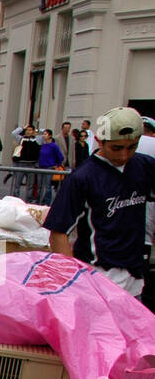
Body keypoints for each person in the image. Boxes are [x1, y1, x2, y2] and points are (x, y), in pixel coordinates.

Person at [45, 107, 155, 311]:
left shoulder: (144, 166)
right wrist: (72, 281)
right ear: (101, 141)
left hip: (134, 273)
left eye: (132, 147)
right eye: (117, 148)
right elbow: (58, 233)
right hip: (98, 275)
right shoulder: (82, 178)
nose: (124, 155)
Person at [10, 123, 42, 201]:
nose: (28, 131)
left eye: (30, 130)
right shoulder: (21, 139)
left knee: (30, 185)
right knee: (17, 183)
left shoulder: (37, 139)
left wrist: (38, 130)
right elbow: (14, 133)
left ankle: (29, 199)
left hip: (32, 164)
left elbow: (43, 133)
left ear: (33, 131)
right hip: (21, 164)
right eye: (27, 130)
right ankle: (15, 198)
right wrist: (22, 128)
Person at [37, 129, 65, 205]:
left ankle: (47, 202)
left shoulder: (53, 146)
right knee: (40, 186)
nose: (44, 136)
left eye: (45, 134)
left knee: (47, 186)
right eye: (44, 134)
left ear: (50, 136)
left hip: (49, 167)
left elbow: (60, 156)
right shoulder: (42, 145)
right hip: (41, 167)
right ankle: (38, 201)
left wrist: (57, 164)